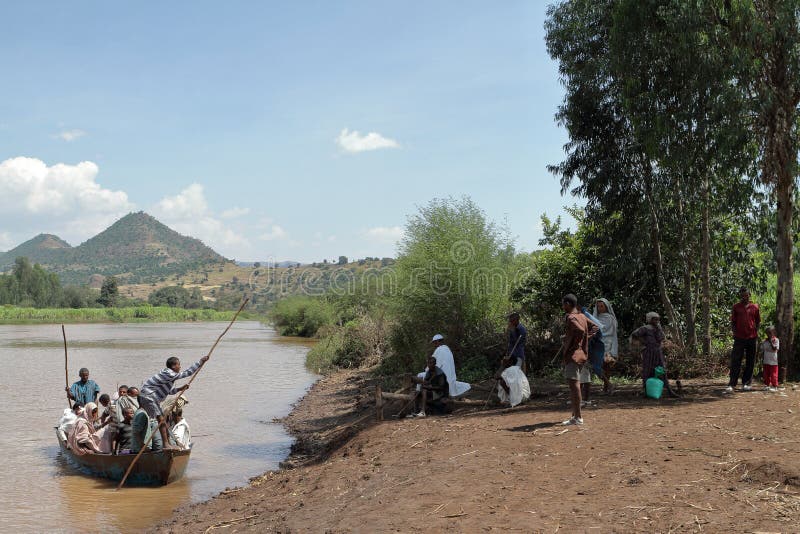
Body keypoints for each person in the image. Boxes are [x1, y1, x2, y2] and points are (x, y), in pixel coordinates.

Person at [139, 355, 207, 449]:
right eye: (179, 364)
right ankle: (166, 445)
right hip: (149, 396)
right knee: (161, 420)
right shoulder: (169, 373)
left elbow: (167, 391)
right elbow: (188, 373)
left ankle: (172, 442)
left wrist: (180, 389)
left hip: (151, 397)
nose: (180, 367)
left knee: (163, 420)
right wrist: (200, 362)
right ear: (173, 366)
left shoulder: (168, 375)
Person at [561, 294, 598, 426]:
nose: (562, 306)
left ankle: (578, 417)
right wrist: (584, 339)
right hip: (581, 354)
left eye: (563, 304)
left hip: (573, 355)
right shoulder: (582, 316)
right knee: (575, 385)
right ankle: (575, 415)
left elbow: (579, 329)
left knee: (574, 385)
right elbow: (595, 327)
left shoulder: (571, 317)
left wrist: (573, 341)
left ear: (569, 304)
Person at [630, 312, 678, 397]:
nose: (657, 321)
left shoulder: (658, 329)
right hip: (648, 352)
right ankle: (646, 391)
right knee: (647, 371)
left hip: (658, 352)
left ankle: (669, 391)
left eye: (657, 319)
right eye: (654, 319)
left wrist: (658, 329)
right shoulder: (645, 328)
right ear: (649, 319)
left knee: (661, 371)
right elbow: (634, 335)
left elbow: (661, 338)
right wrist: (643, 342)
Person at [727, 287, 761, 392]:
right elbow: (733, 322)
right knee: (736, 360)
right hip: (739, 338)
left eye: (746, 295)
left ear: (749, 295)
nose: (744, 297)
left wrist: (756, 332)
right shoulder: (736, 307)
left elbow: (758, 321)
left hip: (751, 337)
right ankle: (732, 384)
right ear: (740, 295)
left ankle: (746, 383)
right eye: (742, 295)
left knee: (750, 361)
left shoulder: (754, 307)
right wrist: (734, 333)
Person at [592, 298, 619, 393]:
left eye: (601, 306)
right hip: (598, 343)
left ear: (606, 307)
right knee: (597, 366)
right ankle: (608, 385)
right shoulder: (595, 318)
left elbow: (607, 331)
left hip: (607, 344)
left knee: (606, 367)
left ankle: (606, 387)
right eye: (598, 306)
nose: (599, 308)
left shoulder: (610, 318)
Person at [762, 326, 780, 391]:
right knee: (766, 374)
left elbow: (775, 349)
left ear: (773, 333)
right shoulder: (765, 341)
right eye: (767, 333)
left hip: (773, 361)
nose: (768, 334)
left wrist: (771, 342)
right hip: (766, 361)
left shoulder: (776, 340)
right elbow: (763, 350)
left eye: (770, 333)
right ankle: (767, 385)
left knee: (773, 374)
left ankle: (775, 386)